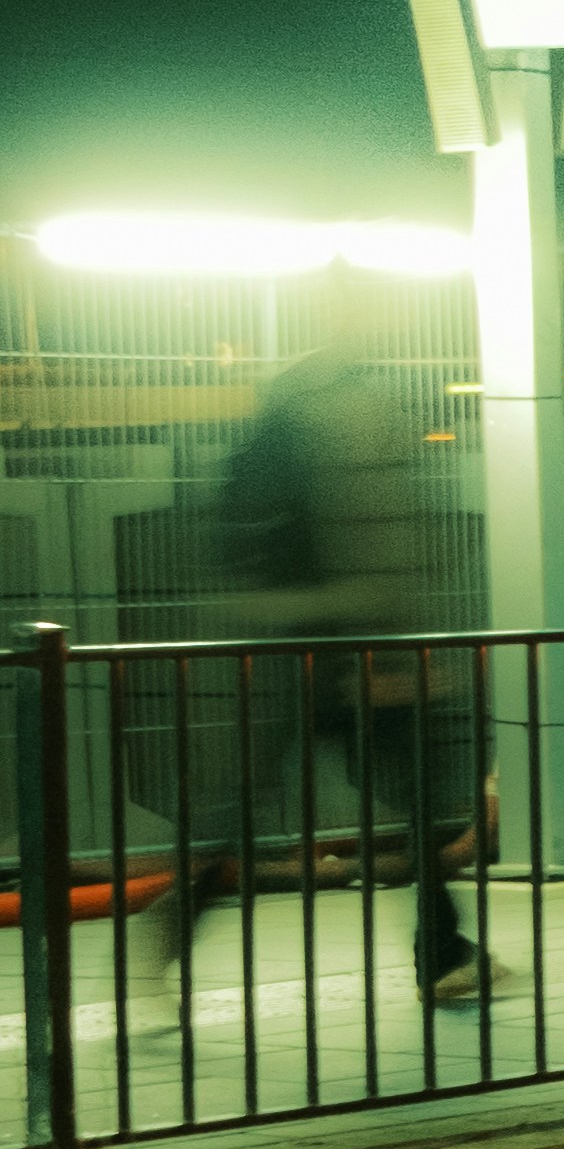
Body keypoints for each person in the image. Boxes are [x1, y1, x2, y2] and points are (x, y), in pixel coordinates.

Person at [133, 348, 502, 1011]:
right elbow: (382, 548)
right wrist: (397, 650)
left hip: (291, 641)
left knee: (252, 799)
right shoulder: (354, 426)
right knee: (414, 796)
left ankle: (174, 924)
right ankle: (442, 955)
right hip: (356, 640)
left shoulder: (273, 437)